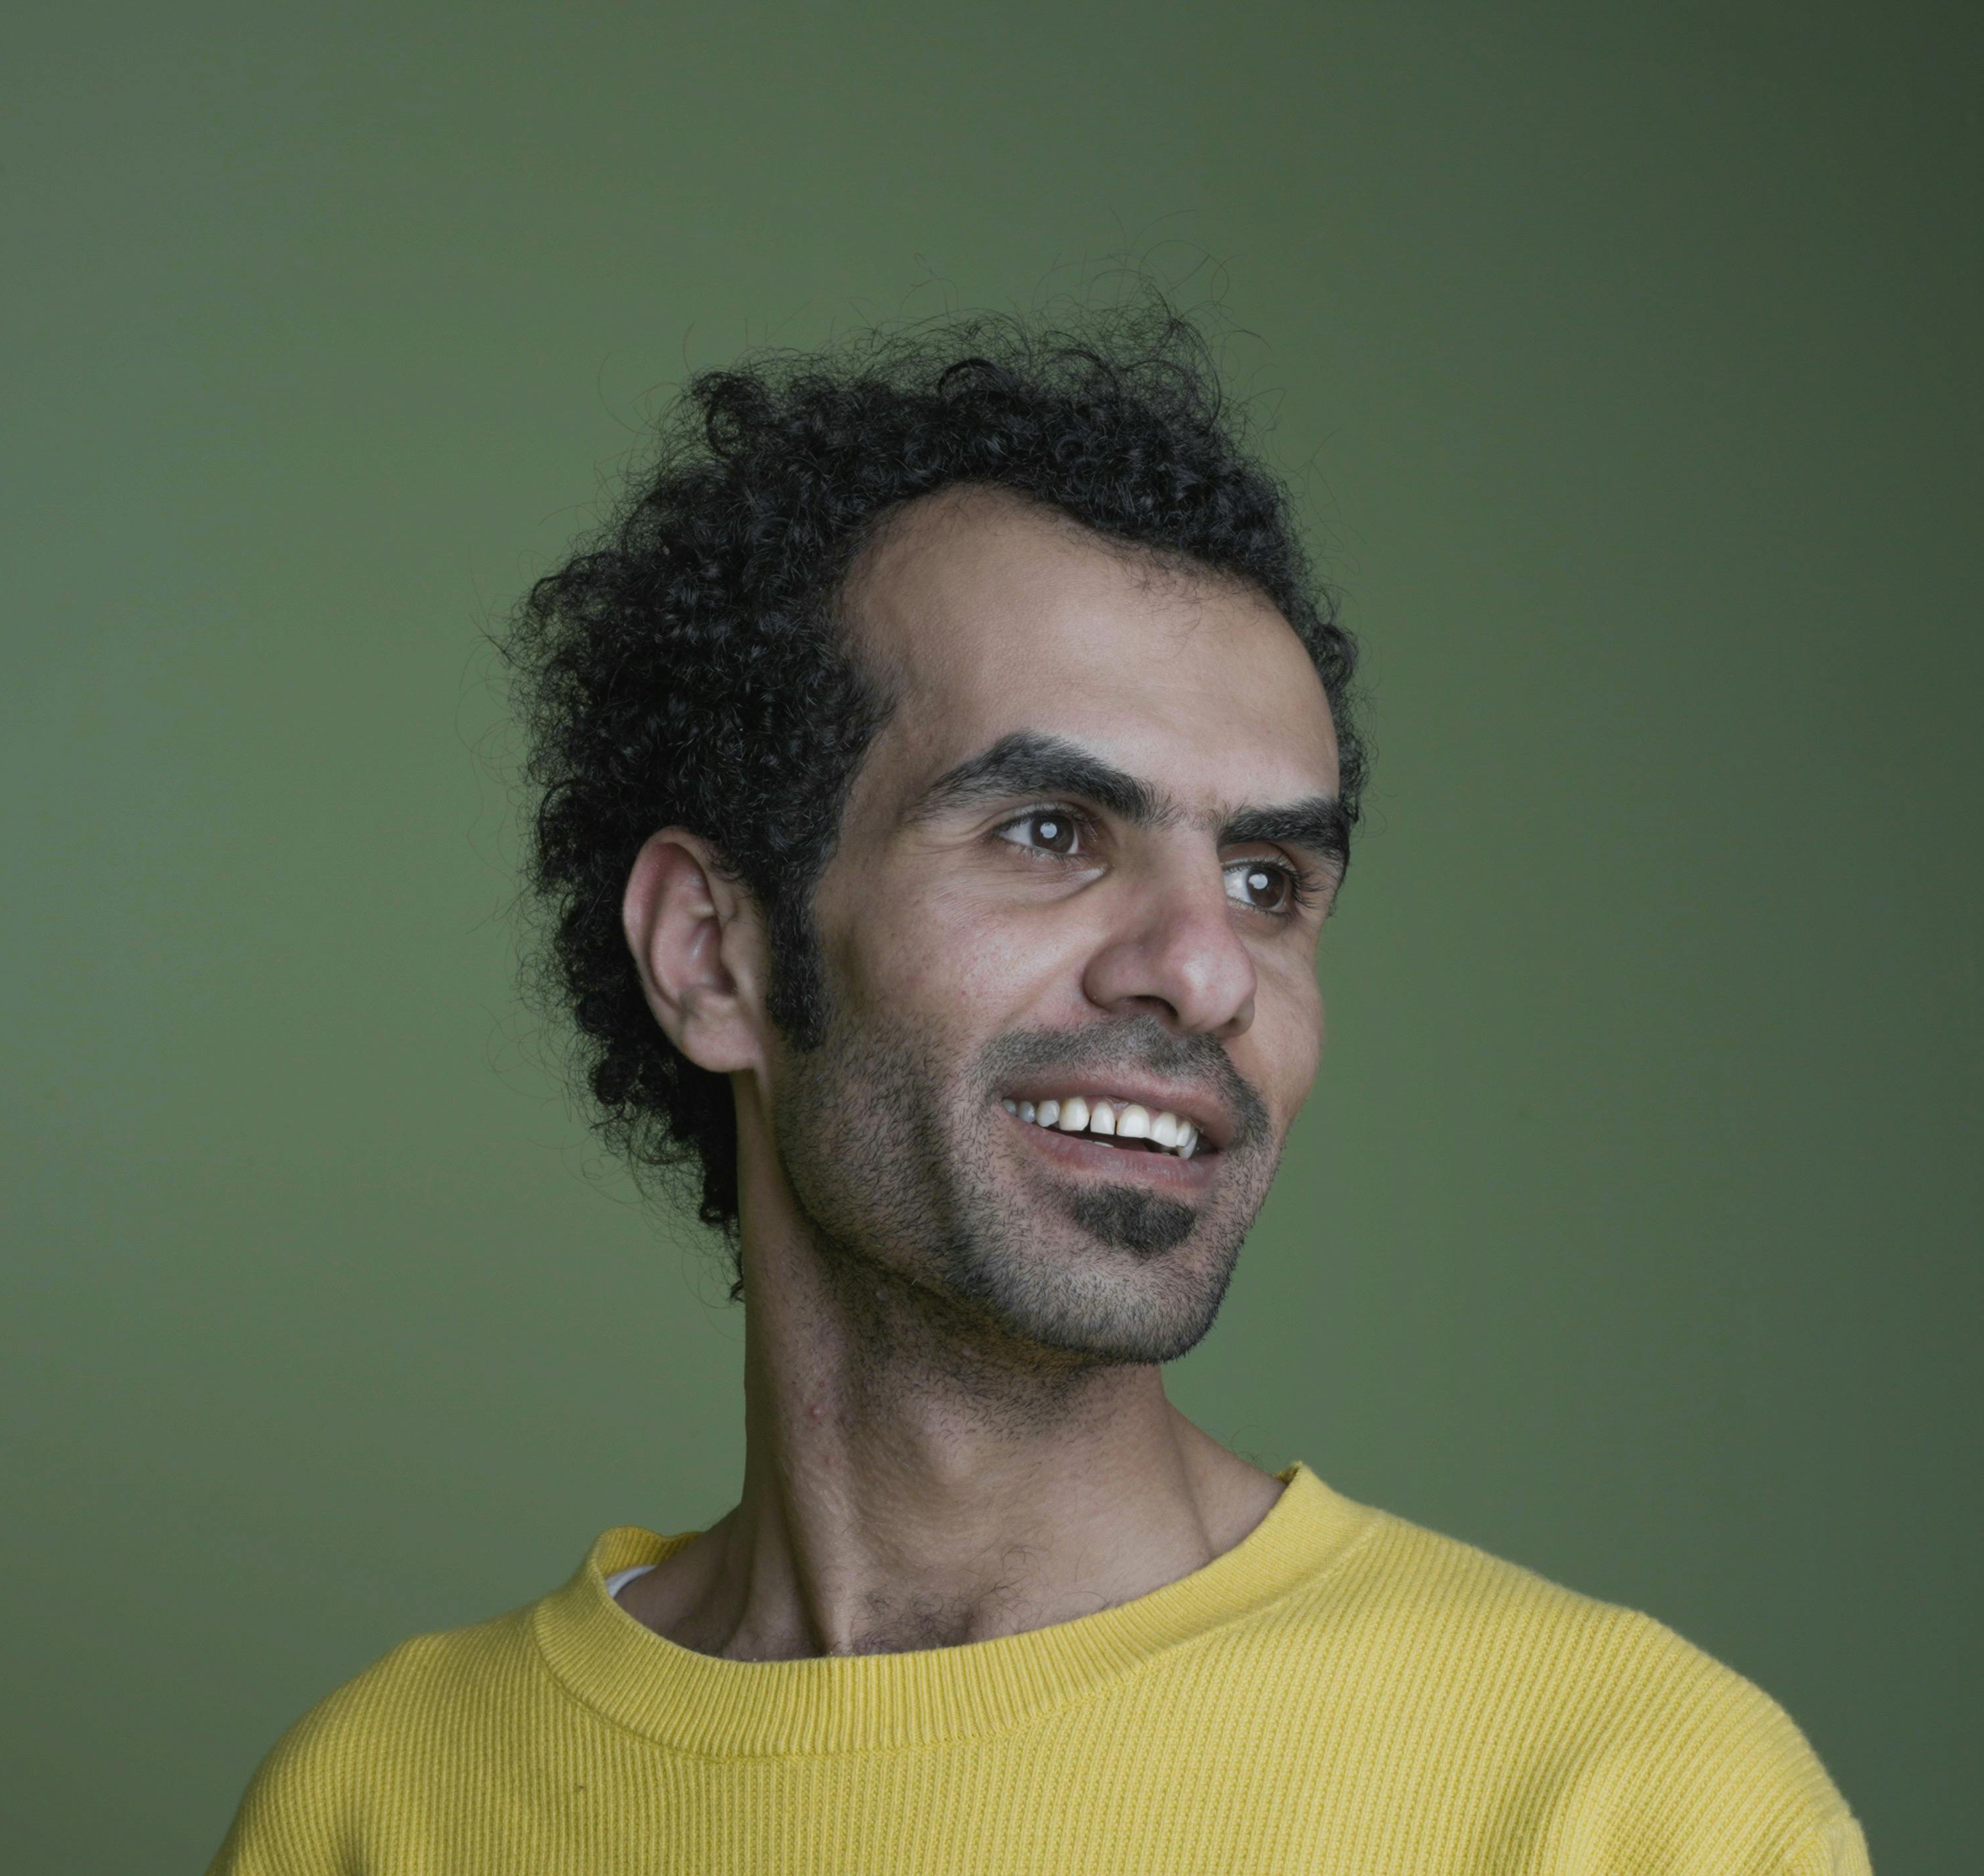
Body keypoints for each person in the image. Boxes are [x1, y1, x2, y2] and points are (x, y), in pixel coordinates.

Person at [206, 311, 1869, 1874]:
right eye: (1050, 834)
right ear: (711, 954)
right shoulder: (387, 1807)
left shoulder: (1629, 1805)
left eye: (1270, 880)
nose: (1203, 970)